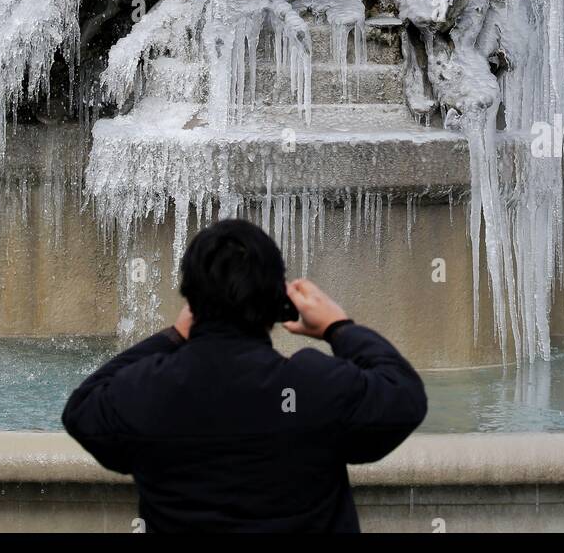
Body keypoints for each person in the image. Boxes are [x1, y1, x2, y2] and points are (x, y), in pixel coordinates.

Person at [62, 218, 427, 533]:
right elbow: (405, 394)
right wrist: (338, 326)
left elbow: (81, 408)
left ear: (189, 299)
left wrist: (172, 335)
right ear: (277, 302)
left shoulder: (145, 390)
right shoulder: (314, 386)